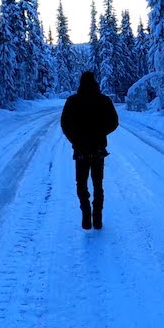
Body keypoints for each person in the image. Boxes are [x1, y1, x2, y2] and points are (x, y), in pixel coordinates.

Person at [60, 71, 119, 230]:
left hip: (80, 151)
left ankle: (86, 216)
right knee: (98, 184)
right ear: (95, 82)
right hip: (98, 149)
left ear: (80, 83)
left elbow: (65, 124)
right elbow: (114, 122)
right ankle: (97, 218)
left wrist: (75, 139)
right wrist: (100, 133)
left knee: (81, 184)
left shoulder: (73, 101)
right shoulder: (104, 100)